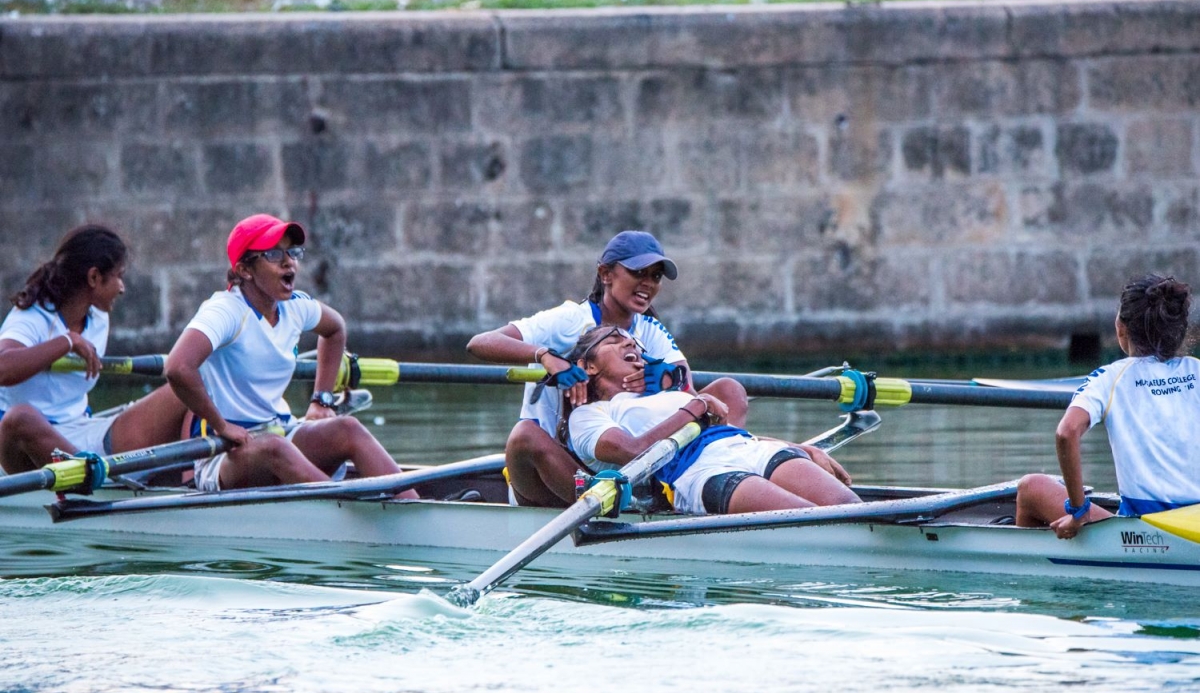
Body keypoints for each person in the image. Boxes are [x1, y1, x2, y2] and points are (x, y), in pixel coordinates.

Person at [467, 230, 750, 507]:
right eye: (638, 273)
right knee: (523, 434)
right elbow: (481, 343)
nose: (648, 284)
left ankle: (723, 469)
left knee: (729, 391)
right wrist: (545, 356)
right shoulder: (569, 320)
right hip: (556, 470)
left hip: (621, 456)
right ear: (605, 274)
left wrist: (666, 379)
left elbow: (687, 385)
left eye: (655, 276)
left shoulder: (649, 328)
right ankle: (616, 504)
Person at [164, 213, 415, 495]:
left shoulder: (296, 307)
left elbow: (335, 330)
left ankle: (417, 510)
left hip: (280, 432)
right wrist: (222, 425)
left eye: (292, 252)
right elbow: (178, 367)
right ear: (245, 270)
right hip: (224, 455)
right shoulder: (225, 311)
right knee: (275, 448)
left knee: (348, 428)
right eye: (273, 254)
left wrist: (322, 399)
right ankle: (348, 511)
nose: (289, 262)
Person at [565, 326, 860, 514]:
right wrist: (696, 407)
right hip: (695, 472)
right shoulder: (589, 414)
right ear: (588, 366)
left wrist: (800, 447)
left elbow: (726, 433)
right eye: (615, 341)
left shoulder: (670, 395)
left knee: (849, 508)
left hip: (746, 448)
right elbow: (631, 450)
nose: (630, 347)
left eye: (634, 344)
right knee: (812, 518)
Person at [1015, 274, 1200, 539]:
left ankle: (1029, 564)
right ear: (1180, 330)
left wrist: (1079, 511)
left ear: (1120, 327)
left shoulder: (1110, 377)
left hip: (1143, 529)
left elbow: (1066, 432)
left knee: (1030, 487)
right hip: (1195, 524)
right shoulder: (1197, 370)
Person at [0, 225, 188, 473]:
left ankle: (191, 477)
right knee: (19, 418)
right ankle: (93, 476)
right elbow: (3, 368)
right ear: (94, 278)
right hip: (25, 446)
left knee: (190, 385)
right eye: (118, 276)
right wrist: (67, 342)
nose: (122, 288)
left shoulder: (99, 316)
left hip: (83, 435)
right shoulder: (32, 315)